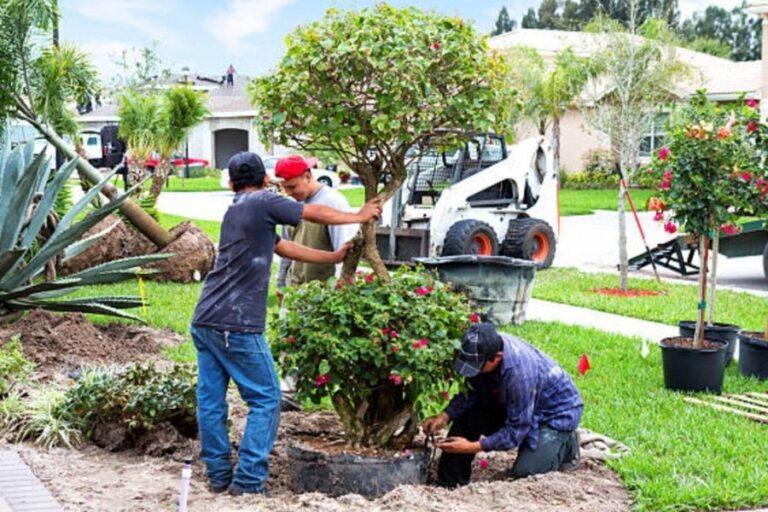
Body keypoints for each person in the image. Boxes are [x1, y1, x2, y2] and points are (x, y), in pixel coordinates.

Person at [190, 151, 381, 496]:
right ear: (266, 181)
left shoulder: (236, 209)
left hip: (205, 319)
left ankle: (219, 475)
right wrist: (359, 214)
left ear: (232, 183)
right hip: (237, 323)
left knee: (211, 401)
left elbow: (282, 247)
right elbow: (315, 212)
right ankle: (248, 483)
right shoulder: (263, 201)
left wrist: (332, 257)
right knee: (267, 398)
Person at [423, 323, 583, 487]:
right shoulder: (482, 350)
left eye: (477, 367)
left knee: (525, 473)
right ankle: (450, 482)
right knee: (467, 415)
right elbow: (472, 392)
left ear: (498, 357)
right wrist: (444, 416)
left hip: (554, 415)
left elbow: (515, 432)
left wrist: (471, 447)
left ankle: (567, 443)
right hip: (520, 404)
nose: (473, 371)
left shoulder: (519, 376)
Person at [275, 155, 356, 290]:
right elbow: (285, 248)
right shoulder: (288, 204)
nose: (288, 193)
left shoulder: (333, 202)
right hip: (294, 290)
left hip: (323, 294)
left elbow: (344, 252)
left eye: (293, 186)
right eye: (284, 187)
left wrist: (340, 291)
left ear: (307, 176)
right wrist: (281, 284)